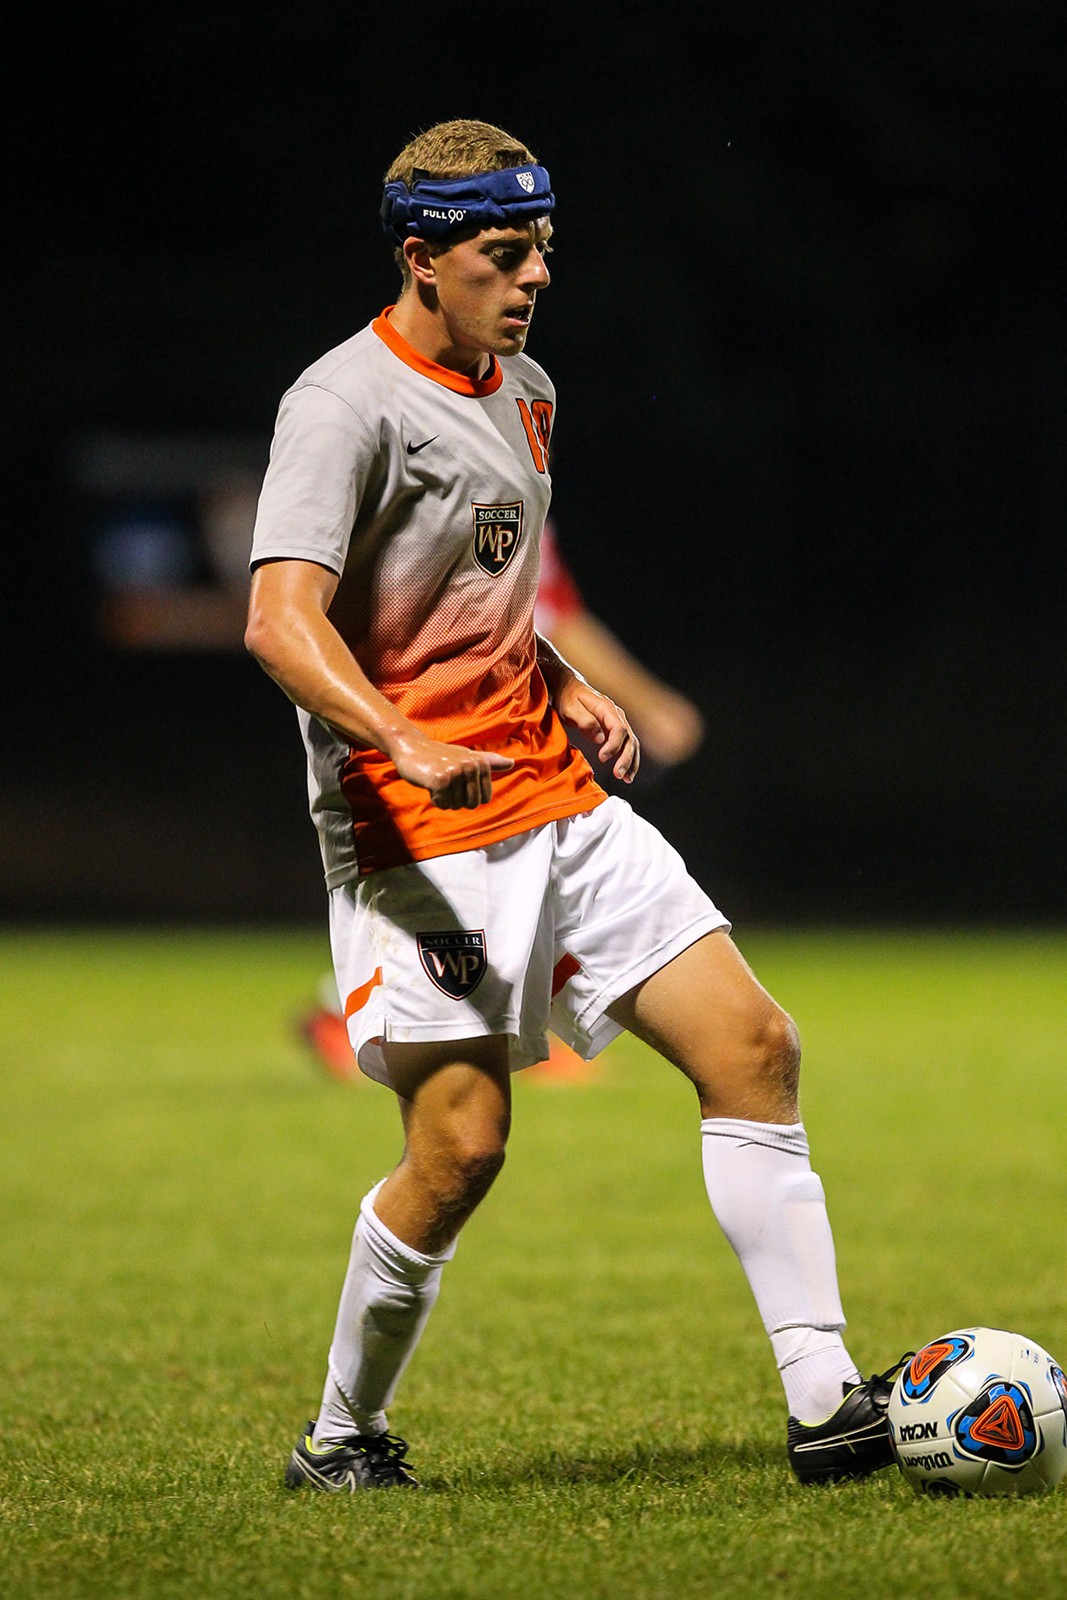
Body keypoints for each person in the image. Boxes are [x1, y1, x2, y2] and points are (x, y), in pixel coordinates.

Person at [244, 117, 903, 1492]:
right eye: (502, 251)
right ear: (422, 260)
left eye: (542, 244)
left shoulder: (525, 388)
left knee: (753, 1044)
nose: (534, 272)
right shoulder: (340, 405)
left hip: (556, 798)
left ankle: (826, 1402)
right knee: (461, 1151)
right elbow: (278, 621)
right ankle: (338, 1438)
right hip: (418, 835)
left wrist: (558, 679)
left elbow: (475, 591)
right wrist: (398, 737)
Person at [298, 514, 706, 1081]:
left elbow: (549, 615)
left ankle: (506, 1013)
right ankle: (366, 1009)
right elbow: (550, 619)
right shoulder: (455, 475)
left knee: (500, 877)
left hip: (498, 706)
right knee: (472, 879)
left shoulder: (510, 479)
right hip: (451, 714)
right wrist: (648, 702)